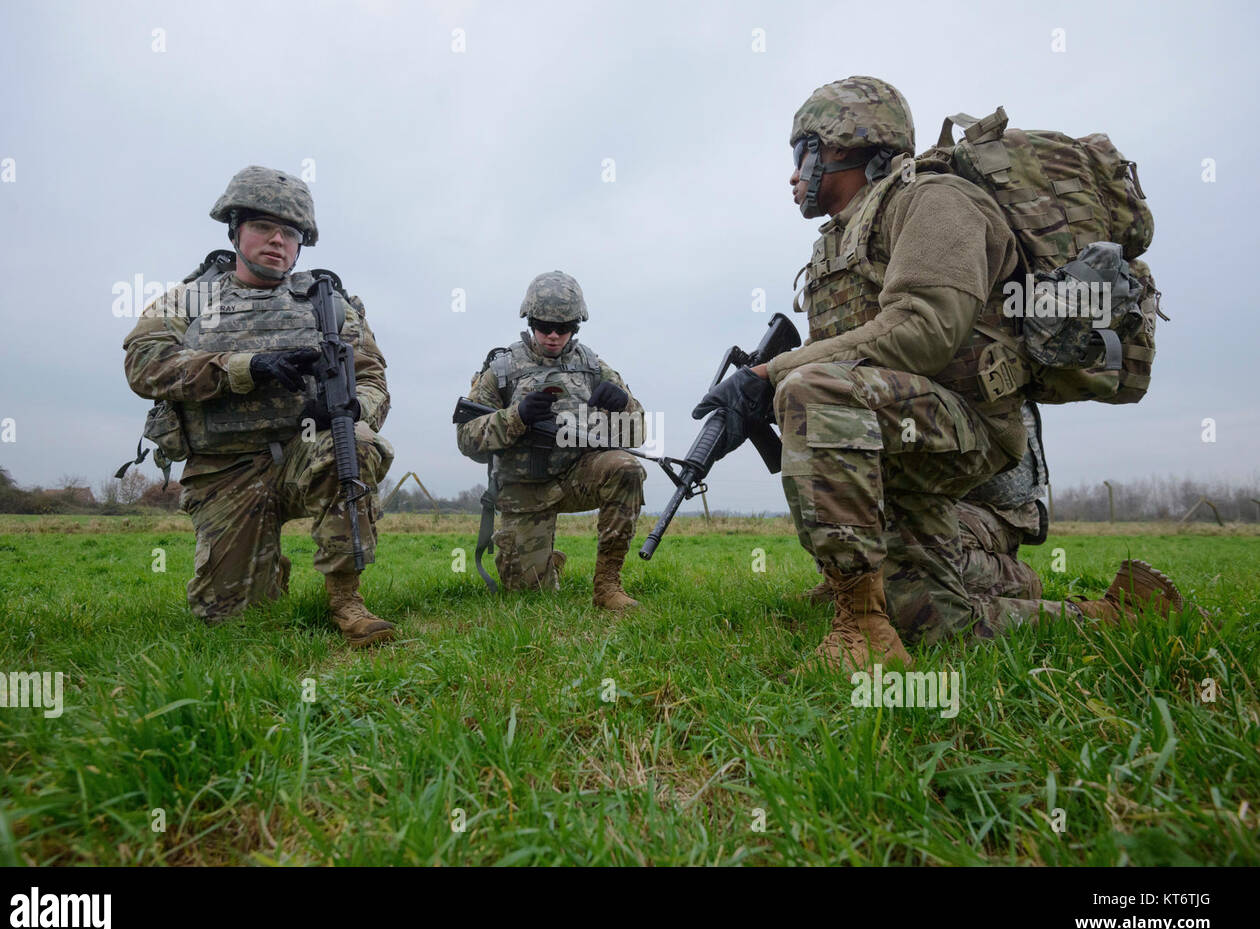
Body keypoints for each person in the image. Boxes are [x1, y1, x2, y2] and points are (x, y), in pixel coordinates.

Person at [693, 77, 1181, 673]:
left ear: (842, 148)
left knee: (811, 393)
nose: (793, 176)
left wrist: (771, 373)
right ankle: (1111, 613)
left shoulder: (936, 201)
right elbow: (846, 350)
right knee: (933, 619)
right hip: (911, 424)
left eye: (802, 155)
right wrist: (760, 394)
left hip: (971, 425)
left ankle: (861, 626)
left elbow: (923, 332)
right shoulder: (836, 245)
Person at [122, 166, 397, 647]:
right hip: (225, 471)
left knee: (353, 444)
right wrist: (247, 368)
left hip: (303, 453)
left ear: (301, 243)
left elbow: (372, 375)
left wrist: (352, 409)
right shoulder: (189, 300)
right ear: (235, 231)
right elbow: (145, 366)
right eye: (262, 228)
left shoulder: (327, 304)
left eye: (289, 233)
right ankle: (263, 565)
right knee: (231, 622)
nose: (277, 241)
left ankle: (346, 601)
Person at [456, 271, 647, 610]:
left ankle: (607, 587)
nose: (554, 336)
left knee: (626, 468)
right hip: (524, 489)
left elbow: (638, 433)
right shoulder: (501, 370)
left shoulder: (592, 366)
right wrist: (517, 416)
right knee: (530, 600)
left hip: (577, 477)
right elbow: (466, 439)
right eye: (544, 326)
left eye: (565, 327)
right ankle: (544, 563)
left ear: (577, 326)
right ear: (530, 321)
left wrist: (624, 404)